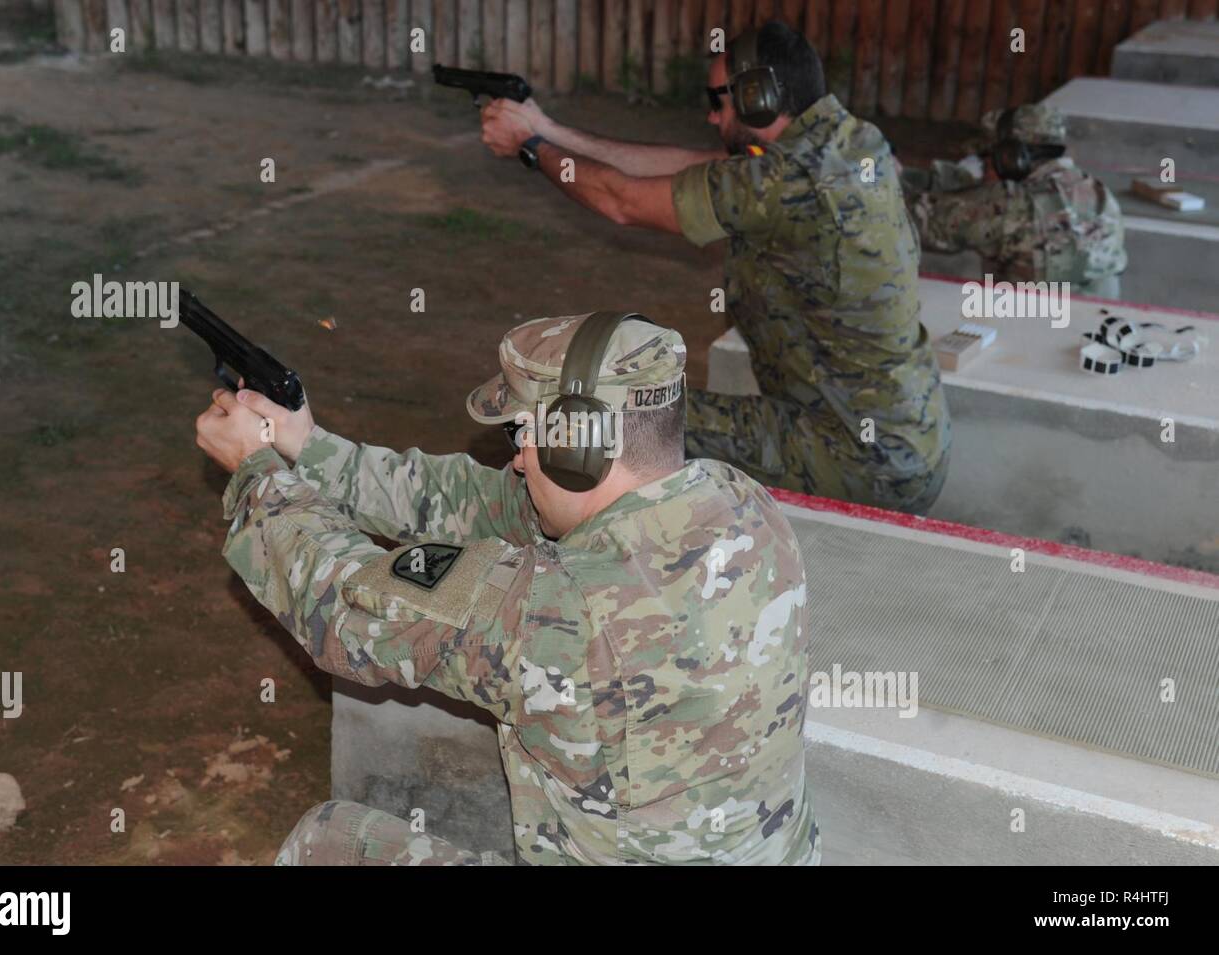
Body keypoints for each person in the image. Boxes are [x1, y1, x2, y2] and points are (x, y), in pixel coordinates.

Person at [193, 311, 820, 865]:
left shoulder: (554, 616)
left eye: (521, 435)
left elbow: (342, 599)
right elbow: (476, 503)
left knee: (326, 841)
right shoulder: (739, 503)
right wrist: (308, 447)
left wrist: (258, 475)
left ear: (580, 444)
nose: (517, 458)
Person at [478, 21, 950, 515]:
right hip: (909, 436)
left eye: (718, 98)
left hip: (854, 454)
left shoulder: (783, 181)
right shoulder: (852, 142)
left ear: (758, 95)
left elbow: (621, 201)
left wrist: (530, 149)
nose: (710, 114)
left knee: (604, 420)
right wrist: (548, 130)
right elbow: (690, 168)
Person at [903, 103, 1128, 298]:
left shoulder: (1008, 203)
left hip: (1023, 332)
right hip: (1094, 328)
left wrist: (883, 178)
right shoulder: (1099, 192)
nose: (984, 165)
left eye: (988, 157)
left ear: (1010, 158)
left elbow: (916, 222)